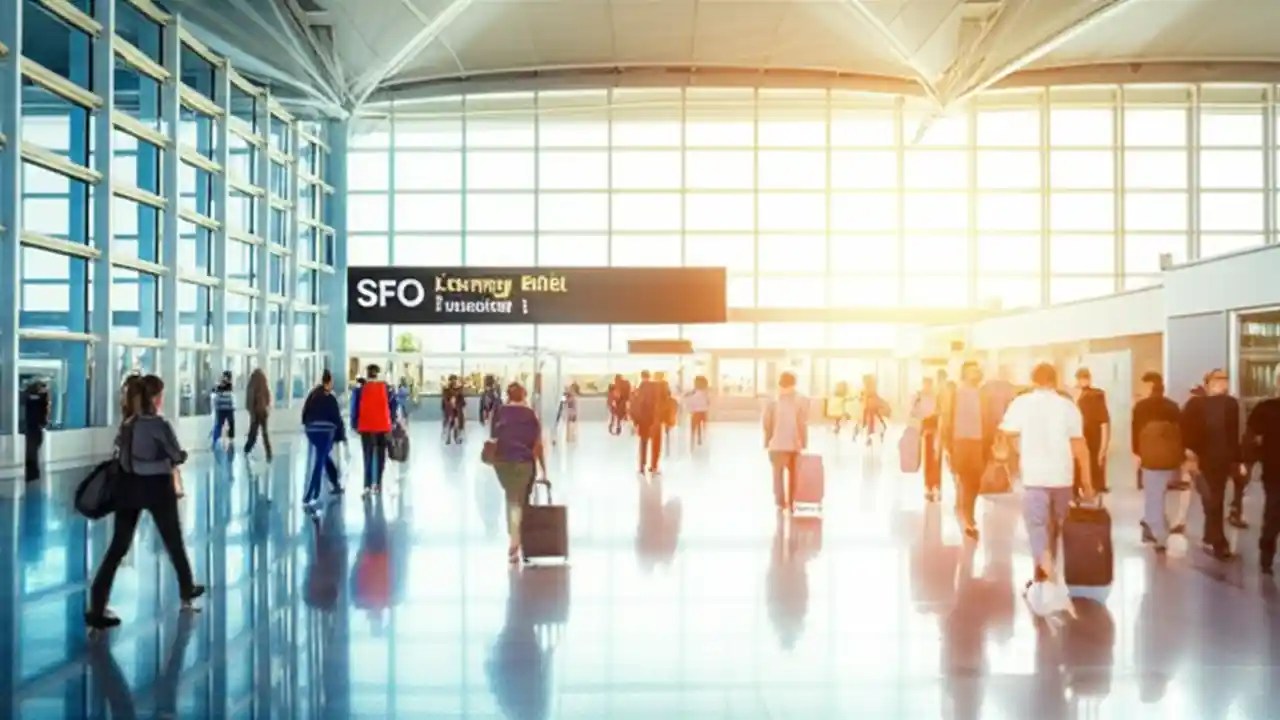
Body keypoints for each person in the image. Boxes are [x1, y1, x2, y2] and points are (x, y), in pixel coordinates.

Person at [86, 375, 204, 630]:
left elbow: (124, 457)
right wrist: (175, 457)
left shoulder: (128, 424)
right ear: (154, 398)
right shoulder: (159, 425)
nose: (162, 400)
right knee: (173, 541)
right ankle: (187, 590)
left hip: (128, 489)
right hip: (158, 489)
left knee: (117, 548)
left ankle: (96, 607)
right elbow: (176, 454)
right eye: (160, 395)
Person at [999, 363, 1094, 590]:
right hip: (1063, 476)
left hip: (1034, 477)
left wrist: (1018, 449)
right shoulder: (1068, 406)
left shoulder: (1020, 403)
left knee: (1037, 527)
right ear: (1055, 380)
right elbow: (1080, 446)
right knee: (1058, 527)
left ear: (1033, 380)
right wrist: (1088, 483)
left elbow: (1007, 434)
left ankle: (1044, 572)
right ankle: (1047, 572)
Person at [1181, 368, 1246, 560]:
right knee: (1212, 499)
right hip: (1203, 460)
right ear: (1208, 383)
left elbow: (1234, 435)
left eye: (1225, 379)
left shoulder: (1231, 404)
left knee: (1214, 500)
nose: (1222, 382)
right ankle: (1217, 541)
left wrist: (1238, 460)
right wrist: (1188, 457)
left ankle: (1213, 538)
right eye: (1218, 379)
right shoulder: (1195, 404)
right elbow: (1185, 432)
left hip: (1222, 460)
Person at [489, 383, 547, 564]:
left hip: (502, 463)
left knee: (512, 498)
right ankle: (516, 541)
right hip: (523, 461)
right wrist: (544, 469)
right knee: (520, 500)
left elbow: (494, 437)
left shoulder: (499, 412)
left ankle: (515, 537)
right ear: (524, 395)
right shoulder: (530, 415)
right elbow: (537, 445)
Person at [1131, 371, 1184, 553]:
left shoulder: (1141, 408)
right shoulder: (1174, 407)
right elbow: (1181, 434)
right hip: (1171, 459)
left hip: (1150, 458)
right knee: (1165, 496)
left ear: (1150, 387)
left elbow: (1135, 432)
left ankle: (1159, 535)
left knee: (1153, 495)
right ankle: (1156, 526)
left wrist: (1136, 454)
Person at [942, 361, 990, 541]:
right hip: (960, 440)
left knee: (975, 481)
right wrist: (947, 444)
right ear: (964, 374)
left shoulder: (983, 394)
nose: (975, 374)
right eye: (972, 371)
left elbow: (988, 417)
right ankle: (965, 516)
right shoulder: (955, 393)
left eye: (977, 371)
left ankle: (967, 510)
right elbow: (946, 418)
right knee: (963, 478)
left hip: (978, 441)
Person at [1247, 367, 1280, 574]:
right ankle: (1266, 558)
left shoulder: (1264, 408)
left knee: (1273, 514)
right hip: (1274, 471)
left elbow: (1254, 439)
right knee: (1273, 514)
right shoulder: (1264, 408)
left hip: (1273, 469)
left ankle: (1266, 559)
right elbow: (1252, 439)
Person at [764, 371, 809, 513]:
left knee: (777, 475)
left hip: (776, 444)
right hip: (793, 443)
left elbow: (767, 423)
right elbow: (802, 422)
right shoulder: (801, 400)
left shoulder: (772, 400)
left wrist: (767, 440)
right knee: (793, 475)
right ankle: (791, 502)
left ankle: (780, 502)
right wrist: (803, 440)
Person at [302, 369, 347, 509]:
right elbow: (336, 418)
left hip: (312, 431)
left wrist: (307, 425)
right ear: (329, 382)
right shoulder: (330, 397)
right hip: (326, 432)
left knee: (323, 457)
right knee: (320, 460)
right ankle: (312, 494)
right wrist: (341, 436)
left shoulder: (313, 394)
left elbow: (305, 412)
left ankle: (334, 483)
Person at [351, 364, 397, 495]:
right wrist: (391, 422)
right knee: (381, 456)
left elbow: (354, 407)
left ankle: (367, 485)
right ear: (377, 374)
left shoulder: (360, 389)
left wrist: (354, 424)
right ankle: (378, 484)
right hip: (382, 426)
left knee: (368, 455)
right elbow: (393, 405)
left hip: (365, 426)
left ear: (367, 374)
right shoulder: (386, 388)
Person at [1075, 368, 1112, 494]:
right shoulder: (1081, 395)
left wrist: (1104, 445)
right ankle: (1092, 486)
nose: (1084, 381)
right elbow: (1105, 421)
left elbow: (1104, 420)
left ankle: (1093, 487)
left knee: (1094, 460)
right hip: (1086, 434)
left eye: (1085, 378)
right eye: (1081, 378)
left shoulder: (1095, 395)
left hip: (1090, 434)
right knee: (1092, 461)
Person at [910, 376, 941, 501]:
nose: (927, 386)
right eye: (926, 384)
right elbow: (913, 412)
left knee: (936, 459)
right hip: (926, 430)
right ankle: (929, 486)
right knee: (928, 458)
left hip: (937, 428)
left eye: (929, 384)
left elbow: (941, 411)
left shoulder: (936, 397)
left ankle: (936, 485)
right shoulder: (919, 397)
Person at [634, 370, 670, 474]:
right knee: (656, 444)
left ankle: (642, 466)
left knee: (643, 442)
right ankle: (654, 466)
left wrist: (636, 419)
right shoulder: (663, 386)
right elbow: (667, 401)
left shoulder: (643, 386)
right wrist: (667, 419)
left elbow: (637, 402)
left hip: (644, 418)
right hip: (656, 418)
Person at [23, 378, 50, 482]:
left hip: (31, 428)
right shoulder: (41, 399)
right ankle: (33, 473)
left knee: (31, 450)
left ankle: (31, 473)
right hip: (35, 428)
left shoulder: (28, 398)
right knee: (33, 450)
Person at [243, 368, 273, 462]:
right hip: (263, 412)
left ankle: (246, 450)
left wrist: (250, 411)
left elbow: (249, 399)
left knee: (253, 433)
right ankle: (269, 454)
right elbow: (268, 398)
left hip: (255, 412)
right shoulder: (264, 384)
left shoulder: (252, 384)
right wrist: (266, 406)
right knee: (265, 434)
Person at [210, 371, 235, 447]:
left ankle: (216, 441)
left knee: (220, 425)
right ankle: (229, 440)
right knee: (228, 424)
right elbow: (214, 390)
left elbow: (214, 390)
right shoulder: (228, 384)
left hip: (222, 408)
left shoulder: (223, 384)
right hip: (227, 408)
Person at [686, 375, 711, 447]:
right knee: (702, 426)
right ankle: (700, 439)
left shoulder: (693, 393)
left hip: (696, 412)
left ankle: (694, 440)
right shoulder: (705, 393)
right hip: (702, 412)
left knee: (694, 427)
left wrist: (690, 409)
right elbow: (708, 402)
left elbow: (689, 402)